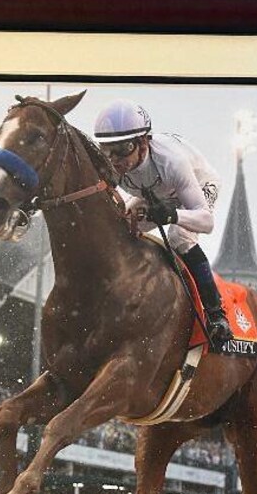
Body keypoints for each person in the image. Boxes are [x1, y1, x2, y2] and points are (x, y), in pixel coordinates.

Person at [93, 99, 235, 351]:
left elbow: (206, 221)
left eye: (123, 149)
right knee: (119, 228)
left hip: (197, 186)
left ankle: (216, 314)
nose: (115, 160)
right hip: (155, 191)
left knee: (180, 236)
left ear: (143, 142)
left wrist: (172, 215)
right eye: (107, 150)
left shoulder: (172, 162)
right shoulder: (114, 164)